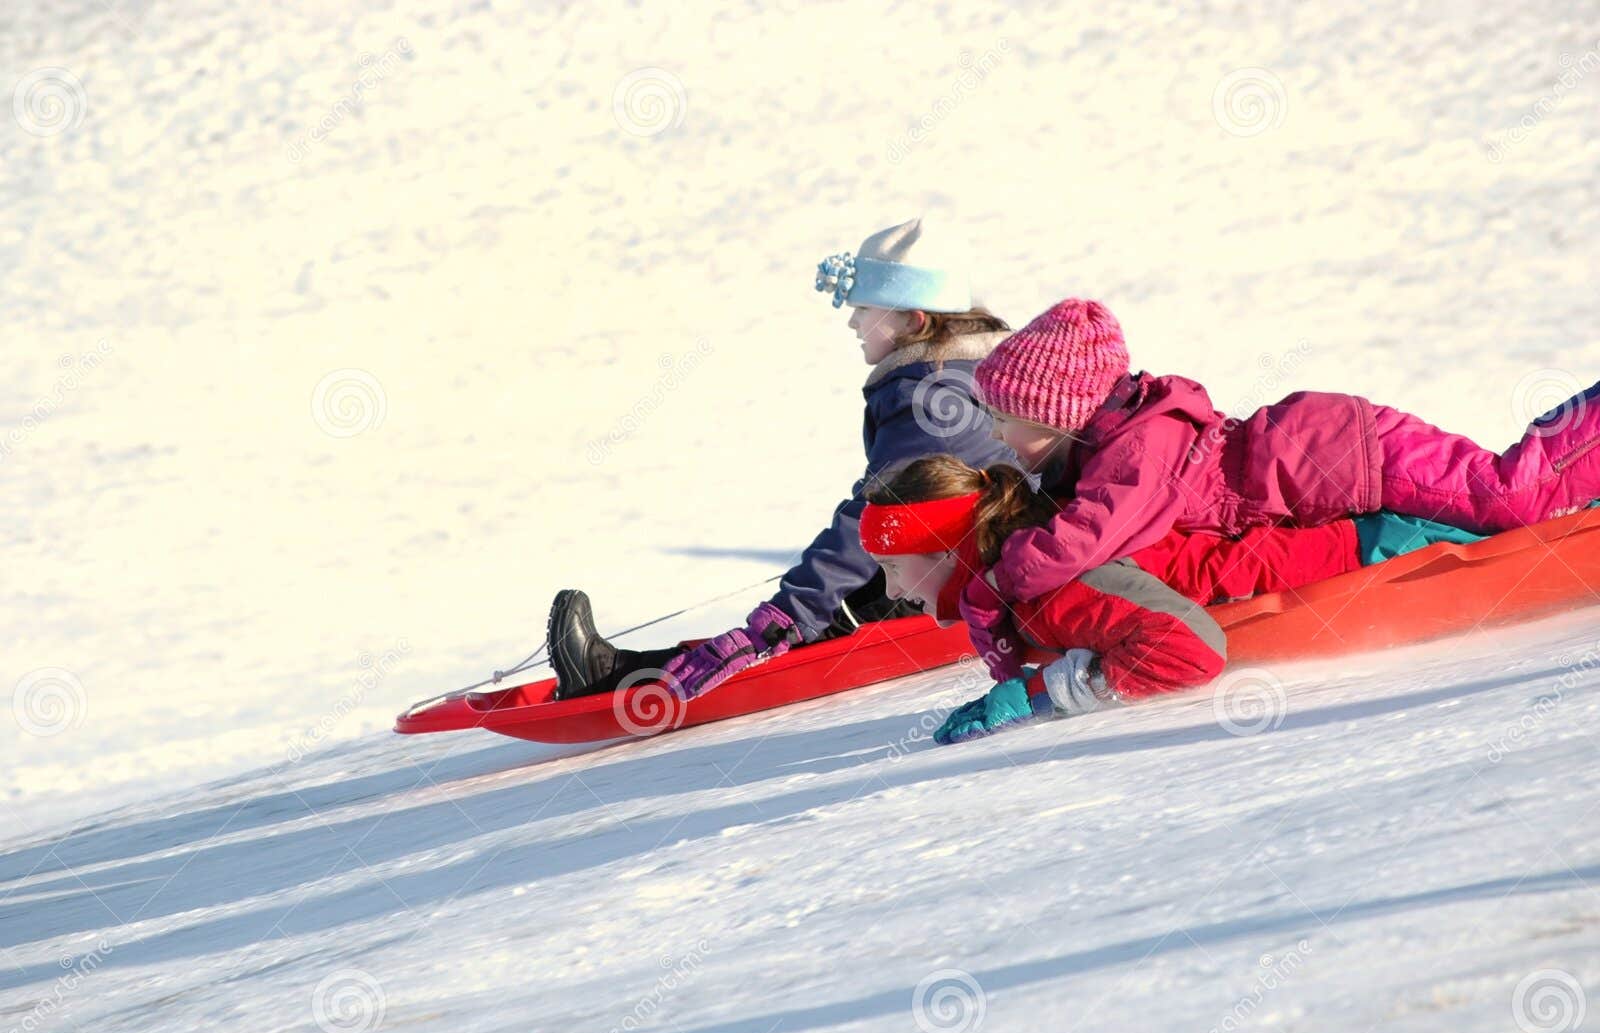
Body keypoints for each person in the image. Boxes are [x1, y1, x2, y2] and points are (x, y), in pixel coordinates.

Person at [959, 297, 1600, 680]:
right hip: (1325, 451)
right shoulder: (1113, 449)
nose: (997, 436)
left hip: (1343, 453)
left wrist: (994, 586)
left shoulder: (1133, 455)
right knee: (1502, 504)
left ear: (1059, 415)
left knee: (1508, 498)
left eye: (1007, 420)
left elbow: (1082, 540)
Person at [547, 216, 1019, 700]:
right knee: (844, 598)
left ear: (913, 321)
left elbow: (876, 519)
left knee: (826, 620)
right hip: (971, 562)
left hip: (955, 579)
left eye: (864, 310)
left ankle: (613, 679)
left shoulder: (929, 400)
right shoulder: (967, 375)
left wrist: (785, 617)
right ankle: (626, 669)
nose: (853, 322)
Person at [862, 454, 1521, 744]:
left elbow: (1189, 648)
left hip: (1369, 555)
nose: (890, 592)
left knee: (1540, 528)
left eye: (894, 569)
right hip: (1345, 542)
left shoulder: (1049, 589)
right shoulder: (1030, 566)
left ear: (947, 555)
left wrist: (1041, 697)